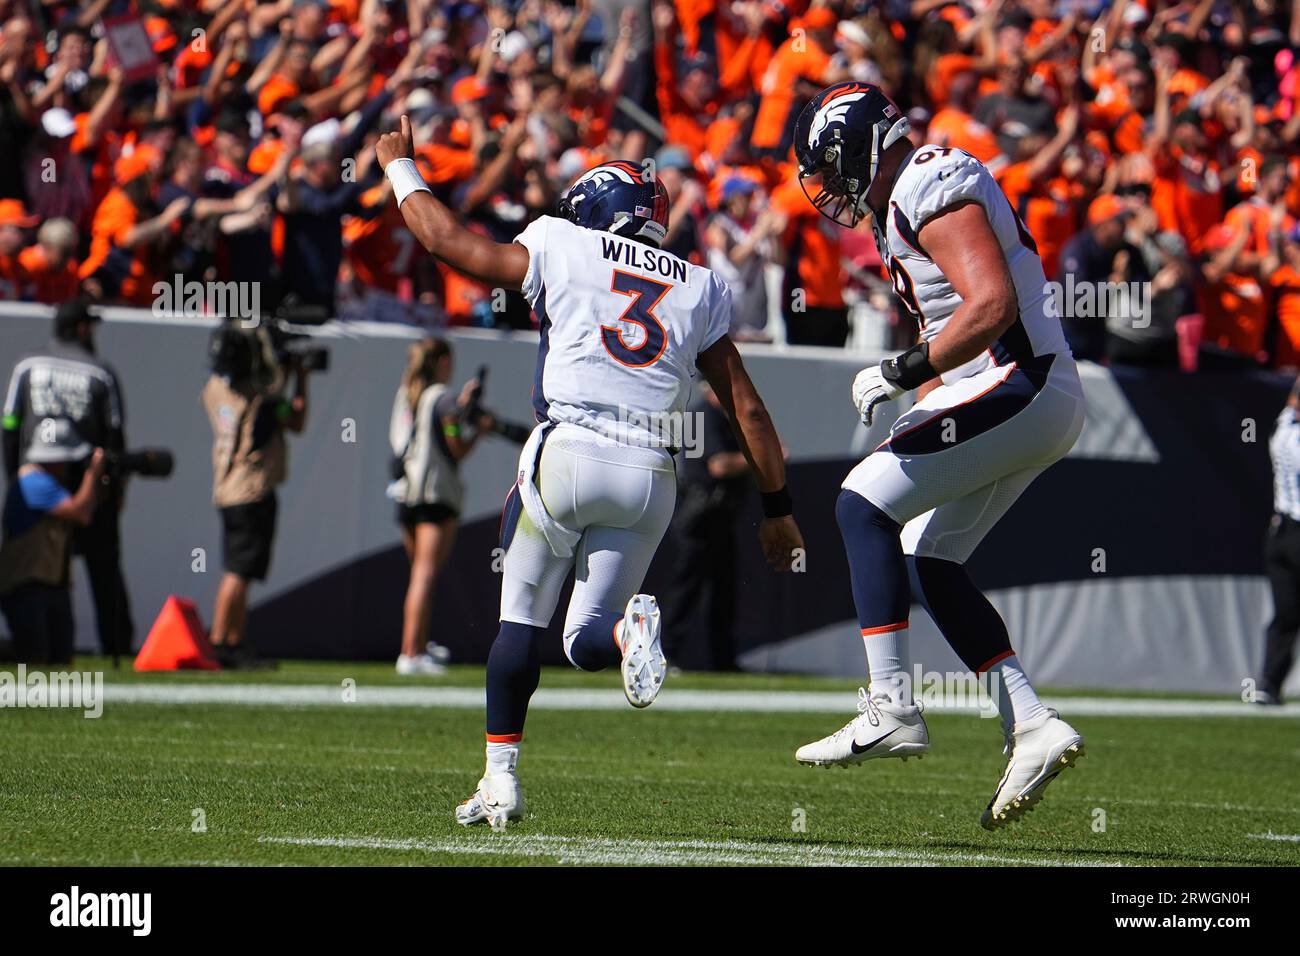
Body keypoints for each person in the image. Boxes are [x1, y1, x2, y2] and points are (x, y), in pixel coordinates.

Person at [376, 118, 805, 827]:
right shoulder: (698, 284)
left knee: (519, 621)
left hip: (570, 449)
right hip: (651, 473)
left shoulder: (559, 240)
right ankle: (627, 634)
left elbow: (447, 242)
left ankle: (500, 782)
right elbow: (750, 411)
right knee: (585, 639)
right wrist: (779, 508)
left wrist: (399, 169)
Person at [791, 82, 1087, 830]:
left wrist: (900, 371)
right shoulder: (908, 194)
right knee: (931, 557)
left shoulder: (926, 178)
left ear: (857, 147)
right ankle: (1032, 723)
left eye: (827, 169)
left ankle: (890, 706)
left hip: (1019, 380)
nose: (827, 191)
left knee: (860, 504)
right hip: (1021, 391)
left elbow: (991, 305)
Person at [2, 299, 134, 659]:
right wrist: (110, 486)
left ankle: (52, 645)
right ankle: (116, 646)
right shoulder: (99, 372)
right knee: (101, 566)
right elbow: (114, 439)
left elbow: (10, 426)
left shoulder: (28, 365)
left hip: (34, 474)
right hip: (80, 479)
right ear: (82, 328)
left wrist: (16, 478)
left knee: (41, 570)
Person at [201, 323, 309, 669]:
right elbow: (295, 419)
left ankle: (233, 640)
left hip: (227, 487)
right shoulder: (262, 400)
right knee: (239, 570)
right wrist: (300, 378)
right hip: (250, 489)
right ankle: (221, 640)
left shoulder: (215, 391)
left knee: (239, 569)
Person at [387, 337, 491, 675]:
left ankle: (416, 645)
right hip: (434, 495)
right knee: (425, 575)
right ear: (443, 361)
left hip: (406, 494)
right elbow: (455, 446)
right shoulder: (442, 397)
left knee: (418, 574)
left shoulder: (406, 394)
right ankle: (410, 653)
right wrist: (477, 431)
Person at [0, 420, 104, 665]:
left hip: (50, 586)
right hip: (26, 586)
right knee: (36, 659)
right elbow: (81, 512)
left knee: (59, 661)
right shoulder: (33, 482)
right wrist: (93, 473)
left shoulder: (50, 483)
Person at [1258, 375, 1300, 706]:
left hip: (1280, 530)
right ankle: (1269, 683)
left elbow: (1291, 401)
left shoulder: (1283, 425)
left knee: (1285, 613)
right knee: (1285, 612)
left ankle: (1269, 683)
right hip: (1292, 529)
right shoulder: (1288, 431)